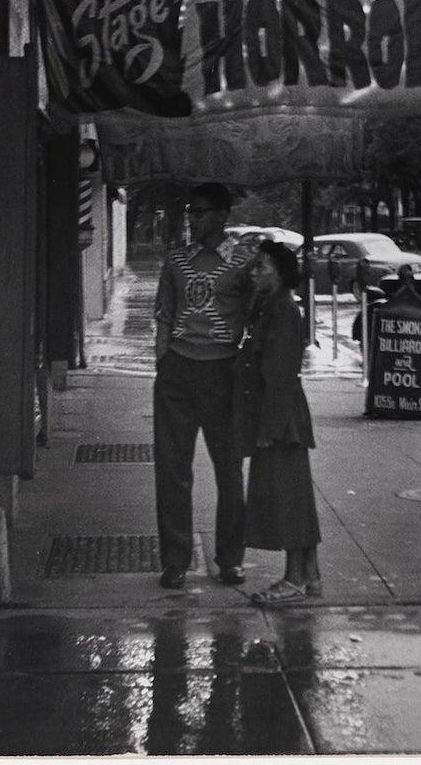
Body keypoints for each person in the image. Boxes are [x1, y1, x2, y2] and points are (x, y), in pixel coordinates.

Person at [153, 182, 253, 589]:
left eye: (201, 211)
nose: (192, 218)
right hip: (178, 371)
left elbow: (254, 314)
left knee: (229, 471)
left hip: (223, 373)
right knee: (173, 470)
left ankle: (230, 559)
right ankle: (175, 561)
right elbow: (163, 310)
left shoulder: (244, 261)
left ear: (223, 216)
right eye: (191, 211)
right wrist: (163, 358)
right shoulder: (177, 259)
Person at [234, 240, 322, 603]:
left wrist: (268, 428)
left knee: (288, 502)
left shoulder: (283, 310)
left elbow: (280, 374)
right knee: (295, 499)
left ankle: (294, 580)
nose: (254, 272)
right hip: (278, 418)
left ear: (281, 273)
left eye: (262, 266)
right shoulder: (269, 306)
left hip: (280, 421)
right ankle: (310, 574)